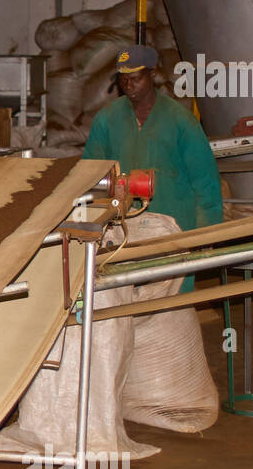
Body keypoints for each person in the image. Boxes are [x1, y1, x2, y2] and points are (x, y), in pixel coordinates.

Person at [83, 44, 223, 290]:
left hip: (175, 231)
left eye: (135, 78)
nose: (128, 85)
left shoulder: (180, 120)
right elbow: (90, 174)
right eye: (123, 79)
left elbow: (205, 181)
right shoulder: (107, 119)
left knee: (172, 307)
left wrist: (205, 232)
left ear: (153, 75)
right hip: (124, 232)